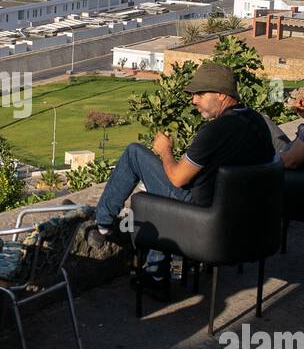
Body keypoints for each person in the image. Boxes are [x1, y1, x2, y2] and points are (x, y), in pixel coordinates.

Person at [89, 61, 275, 287]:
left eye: (200, 94)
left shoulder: (215, 131)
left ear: (221, 94)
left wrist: (165, 150)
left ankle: (103, 225)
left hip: (203, 215)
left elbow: (178, 178)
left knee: (134, 154)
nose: (193, 100)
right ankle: (158, 272)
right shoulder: (257, 121)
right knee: (156, 195)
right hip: (245, 222)